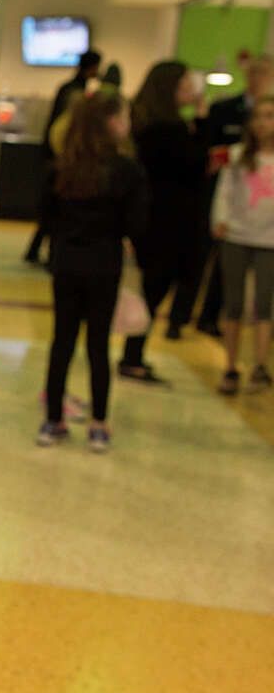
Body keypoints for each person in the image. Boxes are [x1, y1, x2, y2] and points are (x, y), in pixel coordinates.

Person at [36, 91, 148, 452]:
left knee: (62, 342)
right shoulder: (127, 171)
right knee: (98, 345)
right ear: (114, 122)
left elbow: (46, 219)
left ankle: (53, 420)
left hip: (66, 262)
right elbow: (137, 224)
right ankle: (99, 424)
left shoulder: (61, 169)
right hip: (104, 264)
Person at [117, 61, 209, 382]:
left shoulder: (146, 124)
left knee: (151, 290)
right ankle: (132, 356)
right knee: (153, 290)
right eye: (185, 85)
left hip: (155, 222)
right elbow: (195, 163)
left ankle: (133, 353)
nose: (191, 91)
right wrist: (201, 120)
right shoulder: (166, 129)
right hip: (167, 225)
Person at [197, 54, 274, 337]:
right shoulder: (226, 110)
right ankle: (206, 316)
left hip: (265, 225)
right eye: (253, 72)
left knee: (263, 292)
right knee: (224, 272)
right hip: (234, 210)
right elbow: (214, 157)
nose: (258, 78)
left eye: (263, 73)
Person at [211, 94, 274, 395]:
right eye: (259, 116)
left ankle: (260, 366)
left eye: (270, 116)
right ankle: (230, 366)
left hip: (269, 240)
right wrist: (220, 221)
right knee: (233, 304)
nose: (264, 123)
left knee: (264, 303)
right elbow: (223, 193)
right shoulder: (236, 156)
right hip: (237, 235)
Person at [25, 50, 103, 265]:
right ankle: (49, 256)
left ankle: (39, 251)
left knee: (52, 210)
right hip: (64, 162)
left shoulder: (68, 89)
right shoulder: (80, 94)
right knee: (56, 211)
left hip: (56, 161)